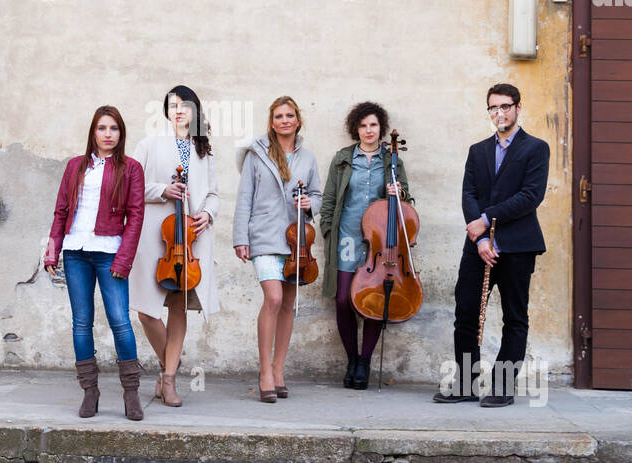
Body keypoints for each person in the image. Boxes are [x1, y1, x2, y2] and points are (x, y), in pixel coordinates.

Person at [433, 83, 549, 408]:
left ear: (518, 108)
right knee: (466, 313)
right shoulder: (477, 150)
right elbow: (468, 193)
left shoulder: (536, 149)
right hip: (478, 246)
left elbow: (530, 196)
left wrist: (486, 218)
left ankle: (502, 386)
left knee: (514, 317)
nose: (499, 113)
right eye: (493, 108)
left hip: (517, 245)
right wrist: (481, 236)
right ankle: (466, 384)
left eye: (505, 106)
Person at [44, 106, 145, 420]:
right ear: (93, 132)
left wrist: (124, 259)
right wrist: (52, 251)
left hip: (110, 252)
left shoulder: (131, 168)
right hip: (75, 252)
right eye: (102, 128)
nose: (108, 134)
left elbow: (136, 216)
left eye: (114, 128)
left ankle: (131, 393)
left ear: (120, 133)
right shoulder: (75, 166)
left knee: (120, 322)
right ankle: (90, 391)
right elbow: (61, 212)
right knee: (81, 323)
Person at [131, 86, 220, 407]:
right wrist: (162, 190)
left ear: (194, 111)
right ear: (166, 111)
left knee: (178, 306)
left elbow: (213, 193)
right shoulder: (150, 144)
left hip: (190, 240)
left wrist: (207, 214)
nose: (179, 110)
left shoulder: (204, 150)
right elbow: (132, 183)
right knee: (145, 311)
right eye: (173, 105)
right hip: (156, 237)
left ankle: (168, 380)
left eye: (185, 105)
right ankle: (171, 360)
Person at [233, 96, 322, 401]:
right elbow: (245, 197)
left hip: (297, 241)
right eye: (279, 116)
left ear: (298, 120)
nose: (285, 120)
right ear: (271, 122)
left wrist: (311, 204)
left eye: (290, 115)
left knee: (288, 304)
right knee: (273, 298)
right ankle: (264, 371)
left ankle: (279, 368)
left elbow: (318, 196)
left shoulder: (308, 159)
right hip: (265, 237)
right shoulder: (256, 155)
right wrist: (240, 238)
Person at [320, 102, 413, 390]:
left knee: (375, 300)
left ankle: (364, 362)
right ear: (355, 129)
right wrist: (328, 232)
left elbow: (406, 203)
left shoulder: (392, 160)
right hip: (347, 237)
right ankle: (351, 358)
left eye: (373, 125)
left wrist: (399, 192)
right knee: (344, 299)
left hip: (379, 243)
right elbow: (329, 202)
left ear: (380, 128)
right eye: (363, 125)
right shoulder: (343, 159)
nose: (368, 130)